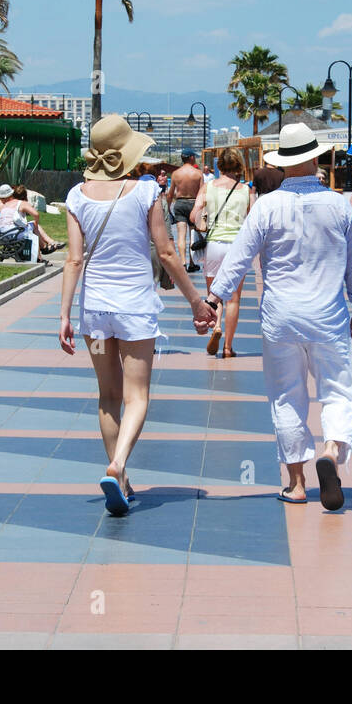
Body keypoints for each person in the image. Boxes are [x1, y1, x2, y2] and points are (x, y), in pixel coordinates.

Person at [207, 123, 352, 511]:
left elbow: (238, 259)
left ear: (282, 164)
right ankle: (331, 451)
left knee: (286, 394)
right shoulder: (339, 205)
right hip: (328, 316)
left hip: (280, 316)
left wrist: (213, 301)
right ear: (314, 158)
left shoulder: (266, 205)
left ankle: (296, 483)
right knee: (341, 388)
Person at [60, 115, 215, 516]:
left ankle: (121, 480)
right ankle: (119, 465)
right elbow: (166, 253)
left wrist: (64, 316)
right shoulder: (145, 191)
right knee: (137, 396)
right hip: (134, 308)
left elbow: (73, 260)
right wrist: (196, 301)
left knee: (107, 396)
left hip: (94, 312)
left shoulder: (76, 195)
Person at [192, 148, 254, 358]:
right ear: (239, 165)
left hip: (214, 245)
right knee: (234, 298)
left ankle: (216, 326)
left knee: (214, 293)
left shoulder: (208, 187)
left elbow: (194, 215)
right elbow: (253, 219)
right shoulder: (246, 190)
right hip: (238, 246)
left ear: (219, 165)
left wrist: (206, 215)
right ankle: (228, 347)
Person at [167, 150, 204, 273]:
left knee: (181, 236)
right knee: (192, 235)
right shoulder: (198, 173)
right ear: (192, 158)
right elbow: (202, 193)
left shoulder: (176, 174)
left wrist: (167, 208)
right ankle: (192, 263)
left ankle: (183, 262)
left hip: (180, 204)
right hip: (194, 204)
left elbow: (170, 194)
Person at [14, 184, 65, 254]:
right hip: (18, 231)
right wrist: (36, 222)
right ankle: (44, 247)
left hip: (11, 230)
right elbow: (36, 214)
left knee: (34, 226)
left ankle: (50, 243)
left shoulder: (11, 203)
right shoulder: (22, 203)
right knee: (35, 226)